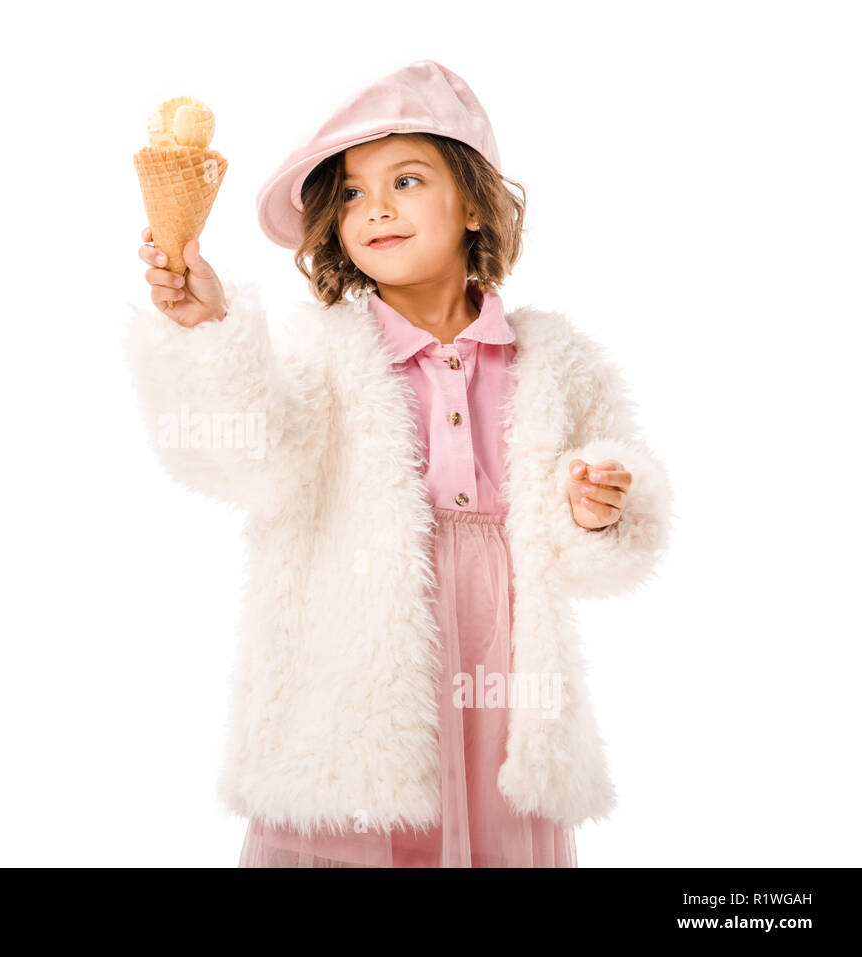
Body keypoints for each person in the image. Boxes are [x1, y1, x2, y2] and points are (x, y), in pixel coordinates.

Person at [125, 60, 673, 867]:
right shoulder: (324, 353)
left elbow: (609, 523)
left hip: (502, 677)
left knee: (493, 826)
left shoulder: (555, 360)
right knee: (366, 819)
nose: (374, 207)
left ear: (475, 210)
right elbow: (252, 453)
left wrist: (597, 507)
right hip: (361, 670)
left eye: (406, 180)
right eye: (350, 192)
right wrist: (211, 332)